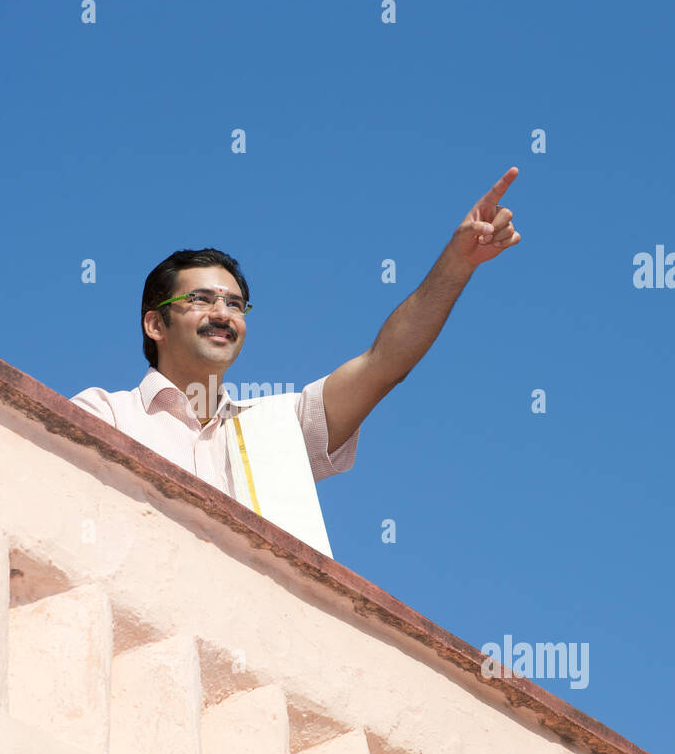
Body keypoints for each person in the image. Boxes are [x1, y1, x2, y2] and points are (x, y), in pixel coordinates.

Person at [71, 167, 522, 558]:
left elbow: (384, 363)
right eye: (201, 299)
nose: (222, 314)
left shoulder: (281, 426)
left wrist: (458, 263)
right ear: (155, 324)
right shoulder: (106, 414)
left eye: (235, 304)